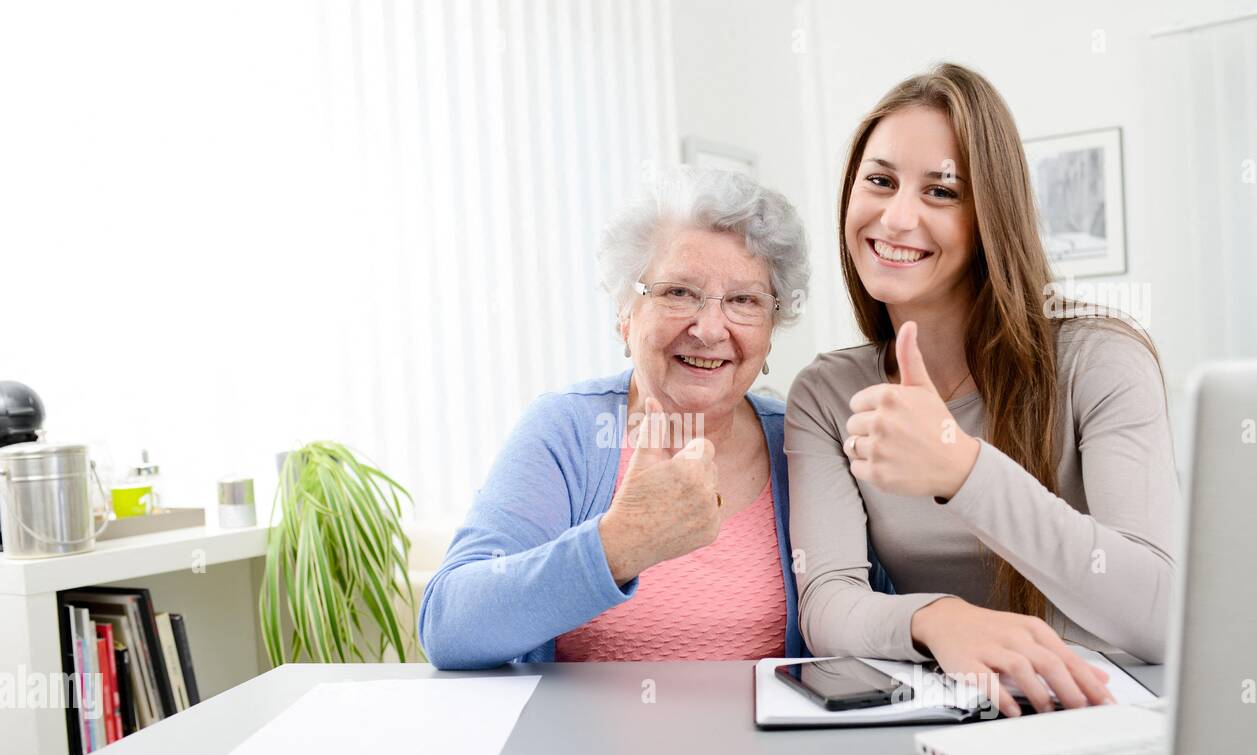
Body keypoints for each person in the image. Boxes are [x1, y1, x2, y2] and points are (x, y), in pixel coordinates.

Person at [785, 63, 1178, 717]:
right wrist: (937, 620)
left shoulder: (1102, 359)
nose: (897, 215)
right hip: (943, 715)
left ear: (991, 215)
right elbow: (828, 601)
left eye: (941, 192)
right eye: (879, 181)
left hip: (1102, 712)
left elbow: (1160, 614)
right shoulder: (828, 393)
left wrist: (962, 469)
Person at [421, 166, 891, 668]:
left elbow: (875, 611)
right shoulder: (568, 431)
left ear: (771, 329)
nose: (710, 329)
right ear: (626, 313)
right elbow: (449, 625)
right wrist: (618, 546)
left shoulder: (801, 440)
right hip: (585, 748)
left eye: (744, 301)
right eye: (678, 292)